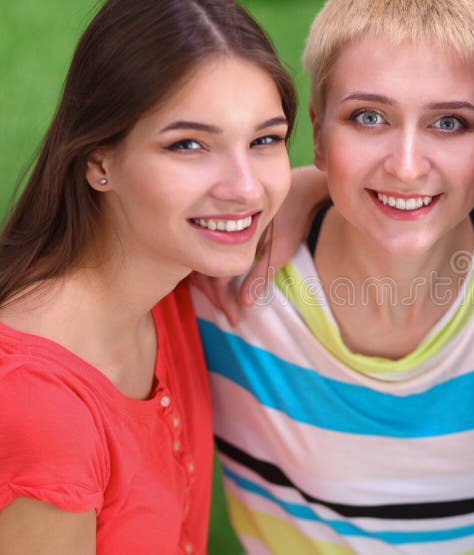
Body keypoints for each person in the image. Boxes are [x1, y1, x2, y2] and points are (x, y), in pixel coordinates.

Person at [191, 0, 474, 553]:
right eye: (369, 118)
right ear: (319, 132)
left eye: (449, 123)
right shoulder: (222, 284)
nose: (406, 165)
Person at [0, 0, 296, 552]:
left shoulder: (169, 266)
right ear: (99, 162)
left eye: (264, 140)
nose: (246, 188)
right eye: (188, 145)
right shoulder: (43, 411)